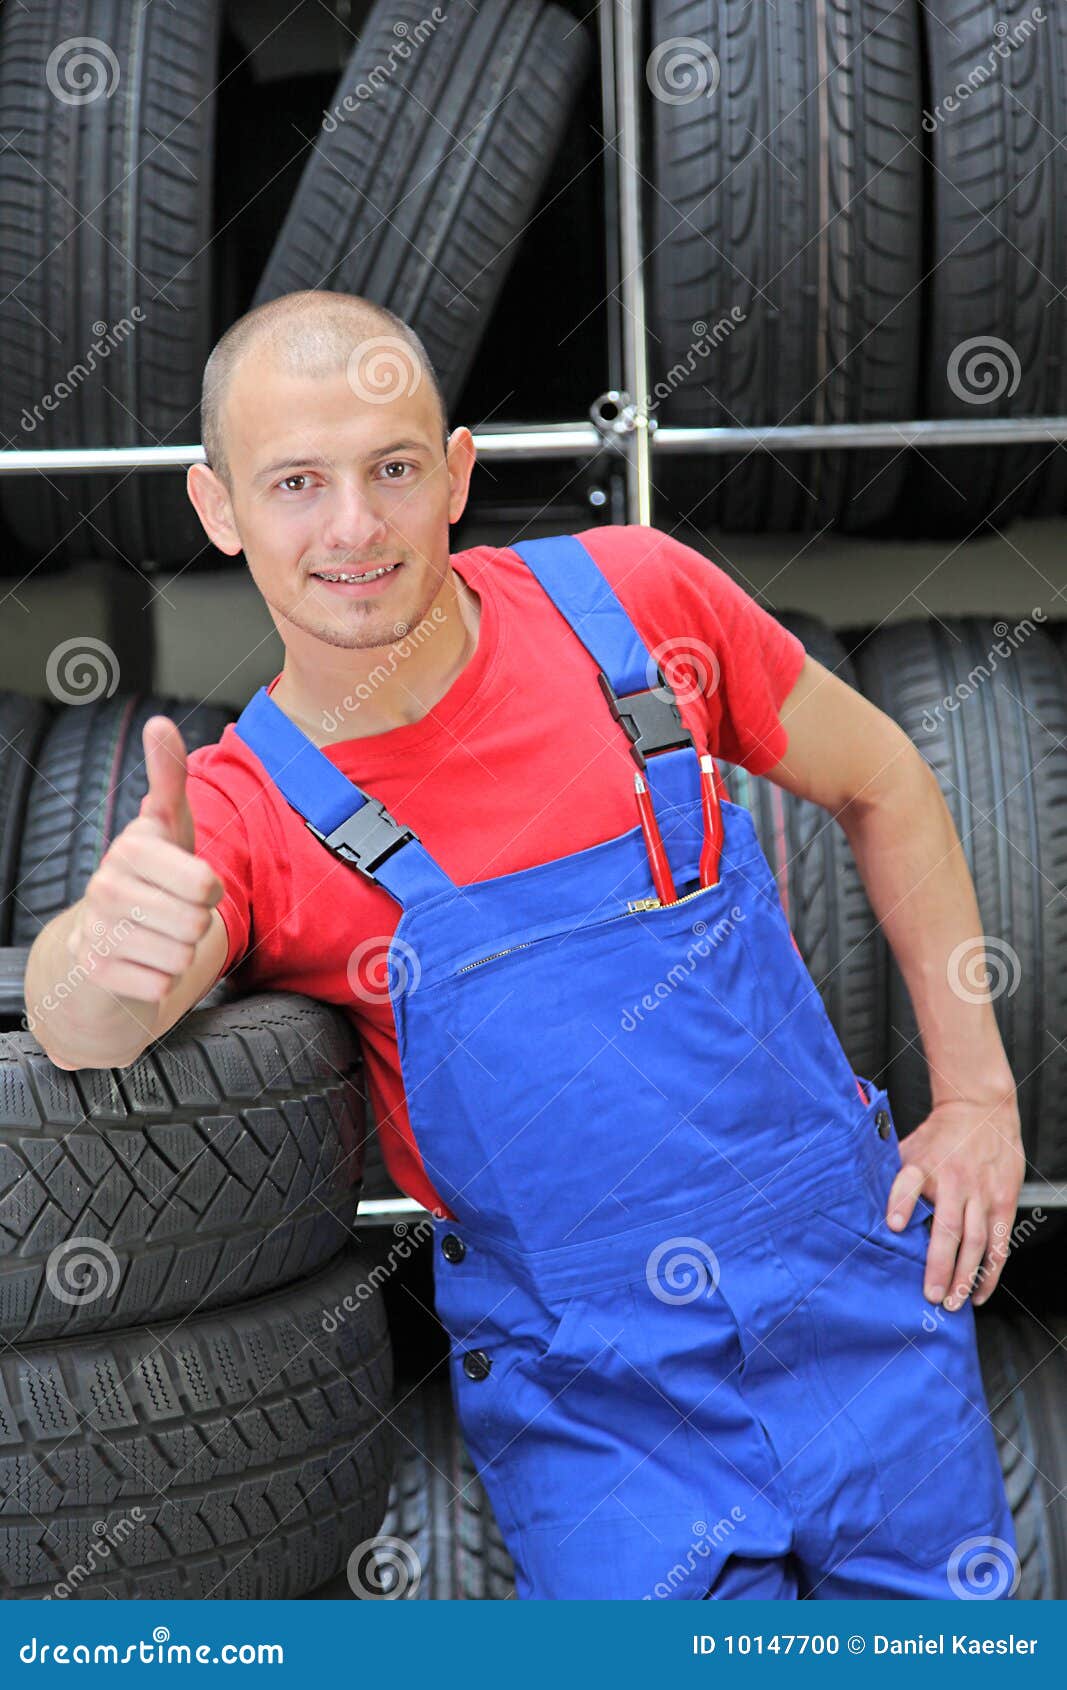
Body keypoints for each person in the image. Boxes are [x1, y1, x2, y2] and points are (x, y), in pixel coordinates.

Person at [25, 290, 1025, 1601]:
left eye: (392, 469)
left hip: (858, 1310)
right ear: (218, 508)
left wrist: (979, 1095)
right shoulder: (247, 812)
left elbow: (884, 777)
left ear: (456, 474)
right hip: (597, 1406)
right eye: (296, 484)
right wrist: (103, 944)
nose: (353, 525)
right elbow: (77, 1024)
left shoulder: (635, 602)